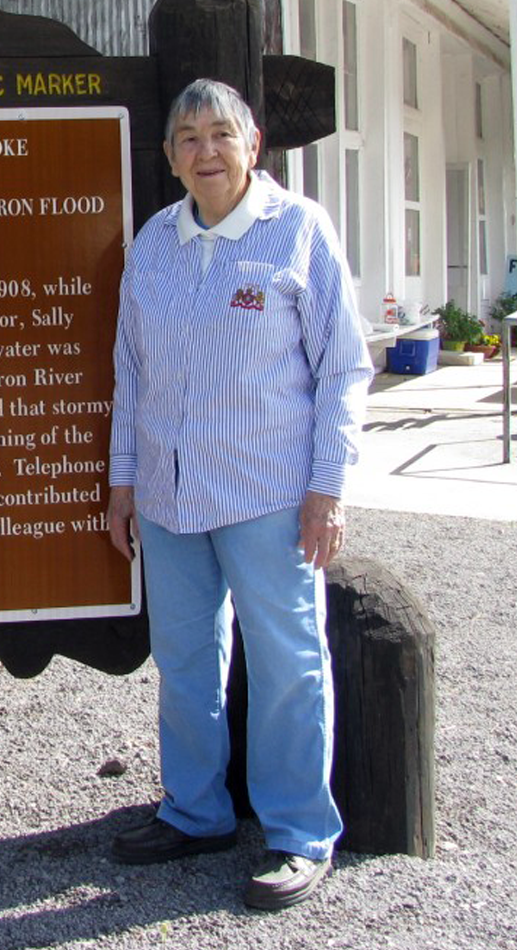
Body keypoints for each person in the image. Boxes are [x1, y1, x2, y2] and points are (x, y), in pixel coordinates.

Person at [106, 78, 372, 911]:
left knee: (289, 663)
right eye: (188, 137)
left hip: (270, 495)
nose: (206, 151)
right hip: (170, 498)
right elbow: (131, 373)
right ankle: (196, 812)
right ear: (169, 156)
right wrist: (123, 481)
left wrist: (327, 489)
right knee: (186, 662)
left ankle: (299, 833)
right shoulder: (154, 243)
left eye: (221, 134)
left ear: (253, 144)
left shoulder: (300, 231)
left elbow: (343, 369)